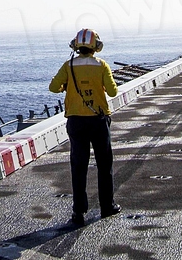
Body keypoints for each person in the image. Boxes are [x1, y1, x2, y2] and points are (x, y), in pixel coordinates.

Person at [48, 28, 120, 226]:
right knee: (104, 165)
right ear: (95, 46)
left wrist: (66, 86)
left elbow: (53, 87)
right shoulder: (101, 65)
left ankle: (78, 212)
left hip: (76, 122)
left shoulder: (69, 65)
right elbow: (113, 92)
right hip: (98, 120)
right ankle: (107, 207)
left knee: (78, 167)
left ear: (76, 45)